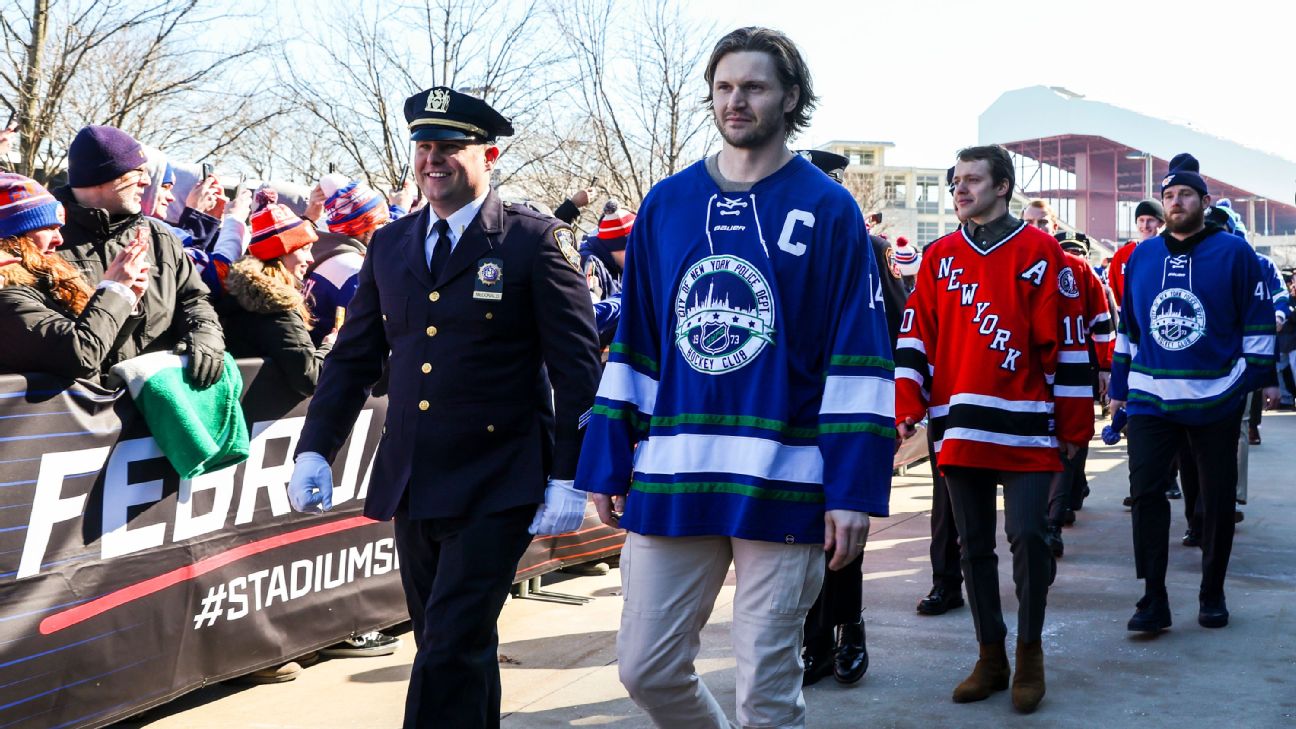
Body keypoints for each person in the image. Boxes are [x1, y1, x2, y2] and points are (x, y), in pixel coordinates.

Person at [577, 27, 894, 729]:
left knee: (766, 695)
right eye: (724, 87)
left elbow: (859, 359)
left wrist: (852, 491)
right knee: (646, 668)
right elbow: (639, 343)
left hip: (785, 481)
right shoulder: (667, 203)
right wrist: (609, 456)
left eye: (753, 87)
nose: (736, 101)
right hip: (675, 473)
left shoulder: (829, 209)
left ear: (791, 97)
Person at [285, 86, 601, 729]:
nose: (433, 160)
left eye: (450, 147)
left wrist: (571, 474)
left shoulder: (534, 241)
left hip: (498, 478)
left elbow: (578, 371)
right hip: (415, 476)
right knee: (448, 642)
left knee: (450, 645)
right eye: (425, 147)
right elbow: (354, 357)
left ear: (488, 155)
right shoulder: (392, 244)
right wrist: (315, 447)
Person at [895, 144, 1093, 714]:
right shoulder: (938, 256)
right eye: (956, 181)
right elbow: (916, 334)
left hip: (1026, 427)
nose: (959, 189)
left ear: (1002, 186)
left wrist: (1074, 424)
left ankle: (1030, 653)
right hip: (958, 426)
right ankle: (991, 656)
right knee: (972, 546)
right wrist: (906, 401)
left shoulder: (1043, 253)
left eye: (972, 180)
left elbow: (1070, 343)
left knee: (1030, 537)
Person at [1110, 153, 1279, 634]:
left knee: (1216, 499)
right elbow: (1130, 329)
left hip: (1216, 395)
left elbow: (1257, 321)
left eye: (1185, 194)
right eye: (1168, 196)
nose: (1175, 202)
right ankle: (1153, 597)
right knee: (1145, 493)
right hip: (1150, 397)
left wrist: (1254, 380)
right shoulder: (1142, 257)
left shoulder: (1235, 253)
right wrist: (1119, 388)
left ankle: (1212, 591)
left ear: (1204, 202)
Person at [793, 147, 901, 687]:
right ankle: (813, 639)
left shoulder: (870, 246)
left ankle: (850, 626)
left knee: (844, 529)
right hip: (794, 407)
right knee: (803, 530)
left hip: (850, 402)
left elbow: (894, 322)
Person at [51, 125, 225, 386]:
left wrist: (205, 334)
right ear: (101, 177)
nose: (146, 181)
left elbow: (194, 298)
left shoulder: (160, 237)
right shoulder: (47, 240)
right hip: (79, 400)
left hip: (153, 398)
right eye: (137, 172)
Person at [0, 172, 150, 377]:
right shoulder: (6, 291)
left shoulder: (46, 280)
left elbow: (101, 352)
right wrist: (115, 289)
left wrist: (126, 300)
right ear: (12, 236)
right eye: (48, 228)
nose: (59, 239)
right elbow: (81, 355)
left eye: (59, 228)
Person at [1045, 230, 1115, 558]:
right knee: (1043, 445)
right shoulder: (1017, 259)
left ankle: (1053, 523)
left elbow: (1102, 322)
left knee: (1068, 442)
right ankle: (1051, 516)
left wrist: (1105, 366)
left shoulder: (1080, 270)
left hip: (1073, 369)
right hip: (1029, 370)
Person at [218, 203, 332, 397]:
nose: (311, 259)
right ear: (280, 253)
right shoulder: (278, 306)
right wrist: (329, 346)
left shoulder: (239, 291)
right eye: (304, 249)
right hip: (257, 409)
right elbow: (310, 379)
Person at [302, 173, 391, 345]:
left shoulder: (321, 253)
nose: (388, 228)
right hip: (334, 357)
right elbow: (369, 334)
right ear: (363, 227)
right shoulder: (353, 269)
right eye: (382, 222)